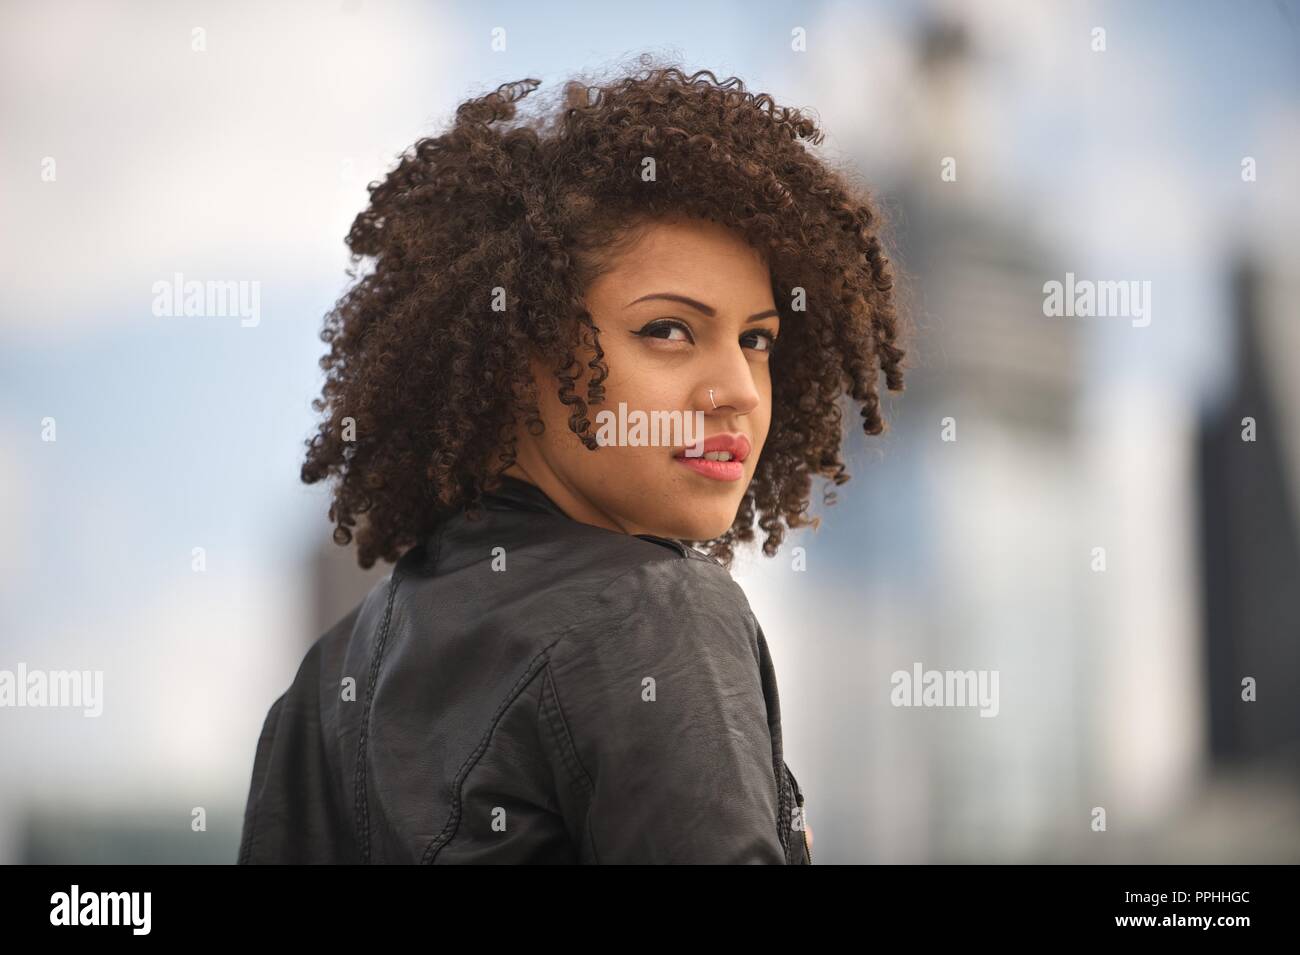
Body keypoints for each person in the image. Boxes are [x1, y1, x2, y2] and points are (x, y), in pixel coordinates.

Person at [237, 60, 905, 864]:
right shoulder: (655, 613)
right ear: (520, 351)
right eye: (668, 329)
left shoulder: (324, 683)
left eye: (756, 339)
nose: (738, 390)